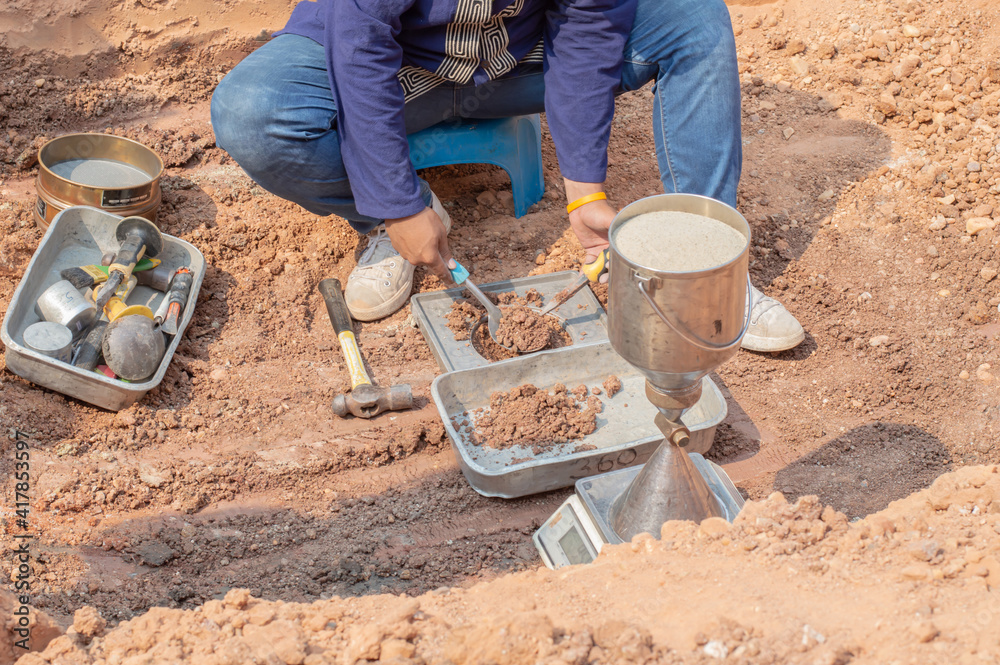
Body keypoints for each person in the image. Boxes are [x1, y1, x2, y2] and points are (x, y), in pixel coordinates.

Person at [211, 0, 805, 351]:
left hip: (519, 56)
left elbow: (588, 26)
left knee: (692, 20)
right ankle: (385, 220)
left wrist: (584, 192)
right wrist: (395, 204)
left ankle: (704, 274)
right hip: (396, 60)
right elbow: (359, 49)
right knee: (253, 113)